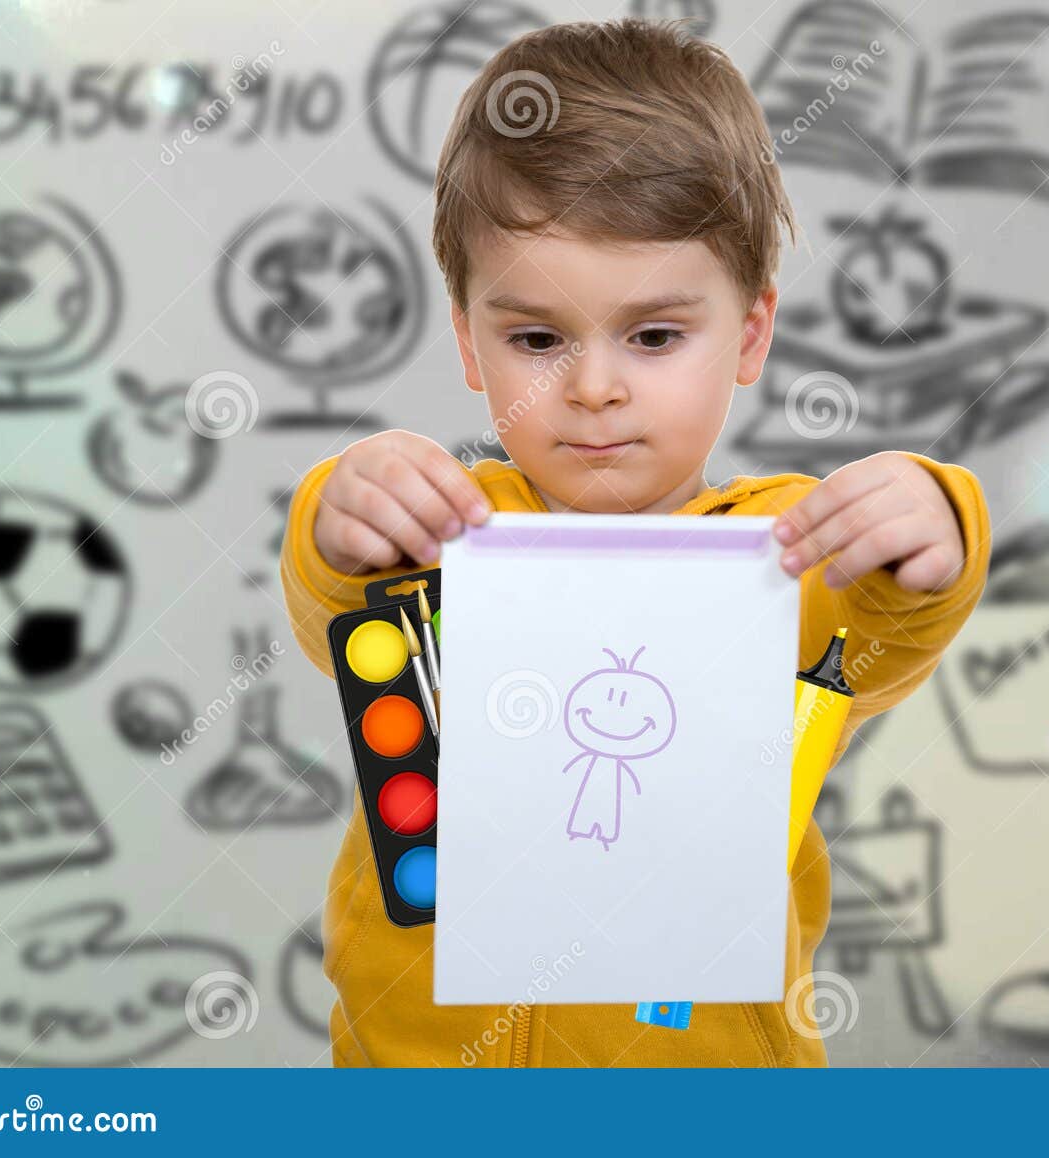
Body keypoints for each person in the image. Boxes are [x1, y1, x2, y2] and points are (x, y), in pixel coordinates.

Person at [280, 18, 990, 1066]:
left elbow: (882, 627)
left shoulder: (785, 548)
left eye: (655, 336)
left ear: (749, 334)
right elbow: (340, 600)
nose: (596, 386)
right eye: (535, 339)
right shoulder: (448, 528)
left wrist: (932, 522)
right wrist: (337, 513)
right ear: (470, 343)